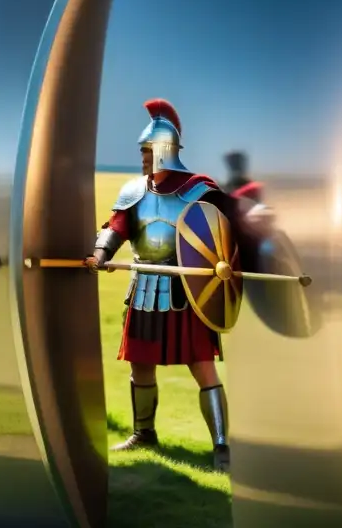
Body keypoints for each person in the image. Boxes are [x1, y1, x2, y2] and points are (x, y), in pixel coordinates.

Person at [87, 98, 253, 472]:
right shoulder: (134, 191)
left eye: (147, 151)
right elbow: (116, 227)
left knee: (202, 368)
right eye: (142, 151)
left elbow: (233, 227)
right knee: (140, 366)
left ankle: (222, 446)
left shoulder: (198, 189)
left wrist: (229, 261)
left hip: (189, 292)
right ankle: (144, 433)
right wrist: (100, 254)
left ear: (164, 150)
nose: (143, 158)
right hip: (144, 287)